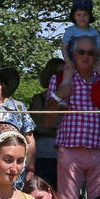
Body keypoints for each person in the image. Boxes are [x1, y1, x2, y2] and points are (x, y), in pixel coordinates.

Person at [48, 36, 100, 199]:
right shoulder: (60, 79)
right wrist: (58, 96)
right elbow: (46, 121)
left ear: (97, 56)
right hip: (70, 147)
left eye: (90, 52)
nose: (85, 56)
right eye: (81, 52)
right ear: (73, 54)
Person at [29, 58, 64, 188]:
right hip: (44, 156)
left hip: (66, 157)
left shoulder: (73, 99)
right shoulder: (39, 99)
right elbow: (39, 128)